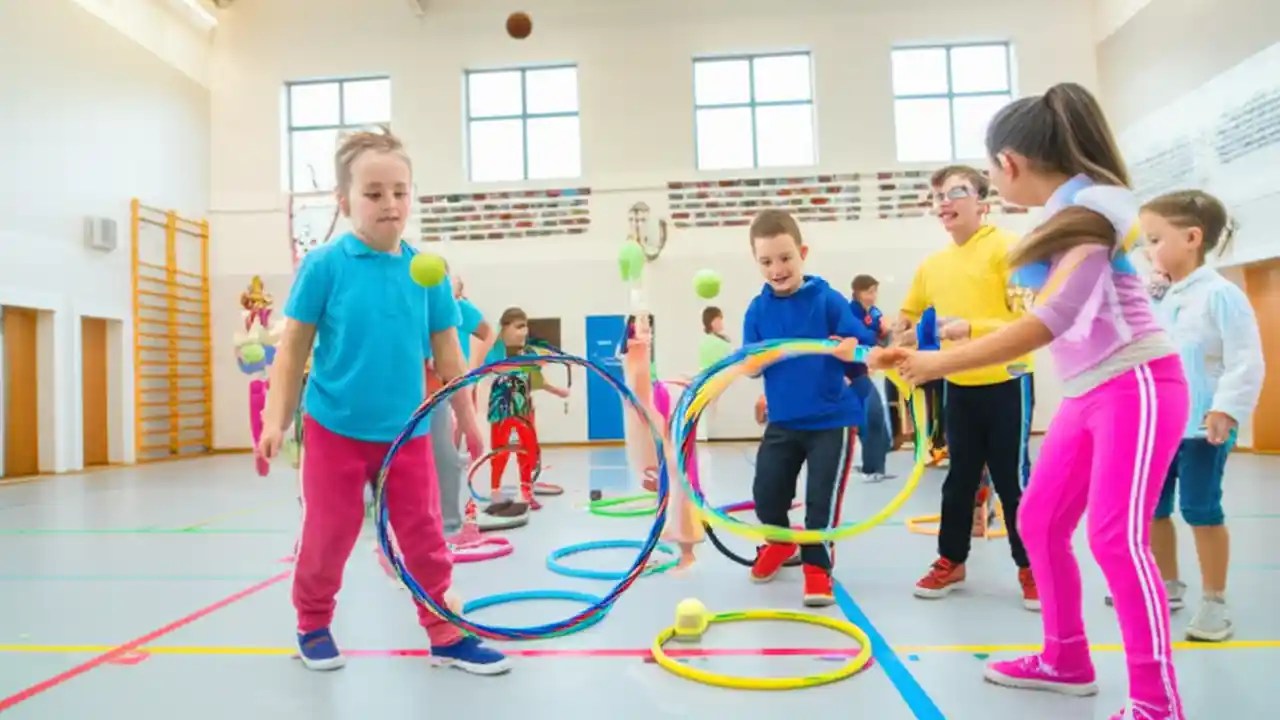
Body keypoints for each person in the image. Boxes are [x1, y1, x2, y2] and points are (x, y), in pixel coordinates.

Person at [893, 82, 1189, 720]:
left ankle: (1157, 703)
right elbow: (1050, 318)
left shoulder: (1090, 213)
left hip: (1136, 384)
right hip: (1089, 393)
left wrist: (937, 364)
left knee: (1115, 538)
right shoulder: (1065, 216)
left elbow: (1049, 321)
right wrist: (945, 345)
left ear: (1008, 165)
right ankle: (1065, 658)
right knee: (1040, 520)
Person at [257, 127, 509, 675]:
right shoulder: (325, 266)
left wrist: (467, 417)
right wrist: (275, 419)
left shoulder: (429, 272)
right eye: (374, 194)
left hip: (408, 431)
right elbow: (292, 345)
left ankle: (445, 633)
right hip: (335, 429)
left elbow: (448, 353)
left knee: (423, 536)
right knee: (331, 532)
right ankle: (313, 621)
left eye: (400, 191)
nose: (390, 204)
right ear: (345, 202)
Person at [896, 164, 1038, 609]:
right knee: (958, 480)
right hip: (958, 384)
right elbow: (907, 320)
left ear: (983, 202)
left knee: (1012, 480)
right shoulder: (931, 266)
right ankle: (950, 560)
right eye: (937, 194)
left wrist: (969, 327)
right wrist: (887, 342)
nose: (944, 201)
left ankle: (1032, 566)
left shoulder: (1010, 249)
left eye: (956, 191)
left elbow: (1027, 322)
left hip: (1007, 381)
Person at [1136, 189, 1264, 642]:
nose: (1147, 251)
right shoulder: (1156, 294)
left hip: (1201, 428)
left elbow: (1246, 358)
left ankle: (1214, 602)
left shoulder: (1220, 295)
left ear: (1192, 237)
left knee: (1200, 508)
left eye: (1154, 239)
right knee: (1153, 508)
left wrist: (1226, 408)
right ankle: (1167, 585)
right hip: (1158, 426)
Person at [742, 208, 866, 607]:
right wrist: (758, 360)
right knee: (766, 491)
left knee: (820, 499)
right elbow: (747, 366)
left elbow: (861, 344)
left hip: (832, 419)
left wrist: (850, 348)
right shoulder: (757, 311)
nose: (777, 269)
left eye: (785, 258)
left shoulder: (827, 300)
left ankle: (817, 567)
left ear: (802, 253)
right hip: (783, 421)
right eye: (766, 261)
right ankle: (779, 542)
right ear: (756, 262)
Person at [483, 307, 569, 513]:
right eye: (518, 327)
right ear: (504, 329)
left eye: (525, 327)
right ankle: (496, 493)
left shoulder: (529, 353)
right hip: (502, 410)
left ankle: (526, 493)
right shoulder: (496, 350)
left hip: (524, 410)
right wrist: (523, 364)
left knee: (528, 453)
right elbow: (493, 368)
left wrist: (558, 391)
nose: (523, 332)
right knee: (500, 452)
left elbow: (537, 381)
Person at [847, 274, 894, 482]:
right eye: (868, 292)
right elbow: (859, 338)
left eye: (875, 291)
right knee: (872, 416)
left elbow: (882, 343)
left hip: (863, 372)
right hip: (848, 374)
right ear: (857, 292)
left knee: (877, 423)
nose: (872, 296)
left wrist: (887, 332)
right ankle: (871, 469)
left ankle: (875, 468)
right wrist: (879, 332)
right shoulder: (850, 312)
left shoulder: (874, 314)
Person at [699, 306, 733, 370]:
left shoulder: (705, 342)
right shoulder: (716, 342)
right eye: (719, 319)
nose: (721, 322)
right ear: (713, 322)